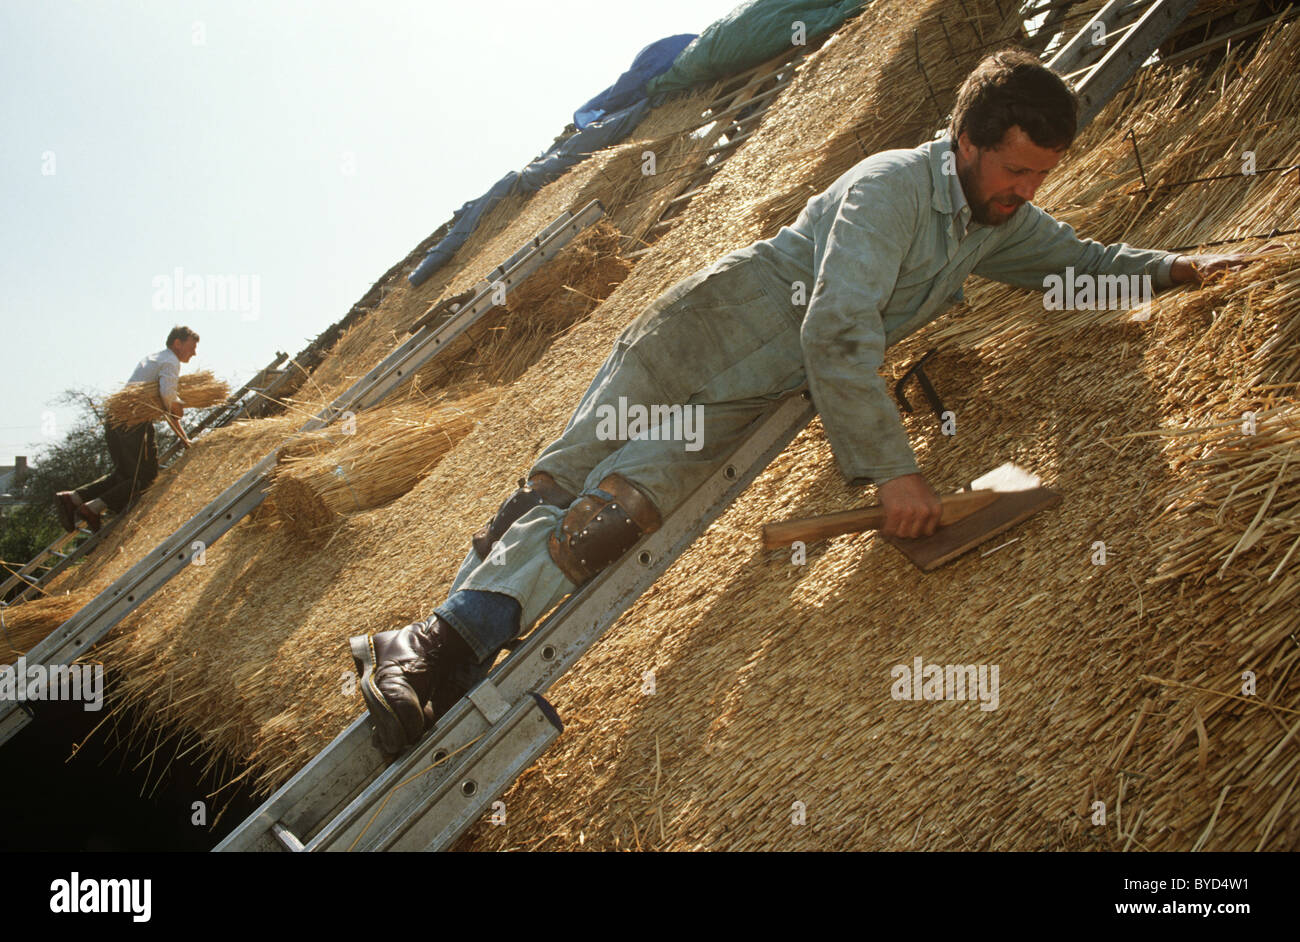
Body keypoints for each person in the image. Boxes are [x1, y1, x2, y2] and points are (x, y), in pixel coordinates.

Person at [350, 49, 1257, 753]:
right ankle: (434, 649)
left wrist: (1179, 269)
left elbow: (1081, 265)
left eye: (1040, 177)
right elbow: (836, 328)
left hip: (749, 375)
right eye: (1017, 172)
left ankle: (427, 648)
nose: (1028, 194)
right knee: (579, 502)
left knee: (588, 506)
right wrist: (893, 471)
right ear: (968, 143)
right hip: (706, 342)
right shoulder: (892, 188)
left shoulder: (993, 221)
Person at [56, 326, 200, 532]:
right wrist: (179, 406)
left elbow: (163, 403)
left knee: (125, 474)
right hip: (134, 422)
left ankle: (73, 498)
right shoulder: (170, 361)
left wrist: (182, 433)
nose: (194, 353)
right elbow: (168, 396)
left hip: (116, 417)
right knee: (146, 477)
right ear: (177, 343)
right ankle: (92, 508)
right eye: (192, 347)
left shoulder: (154, 358)